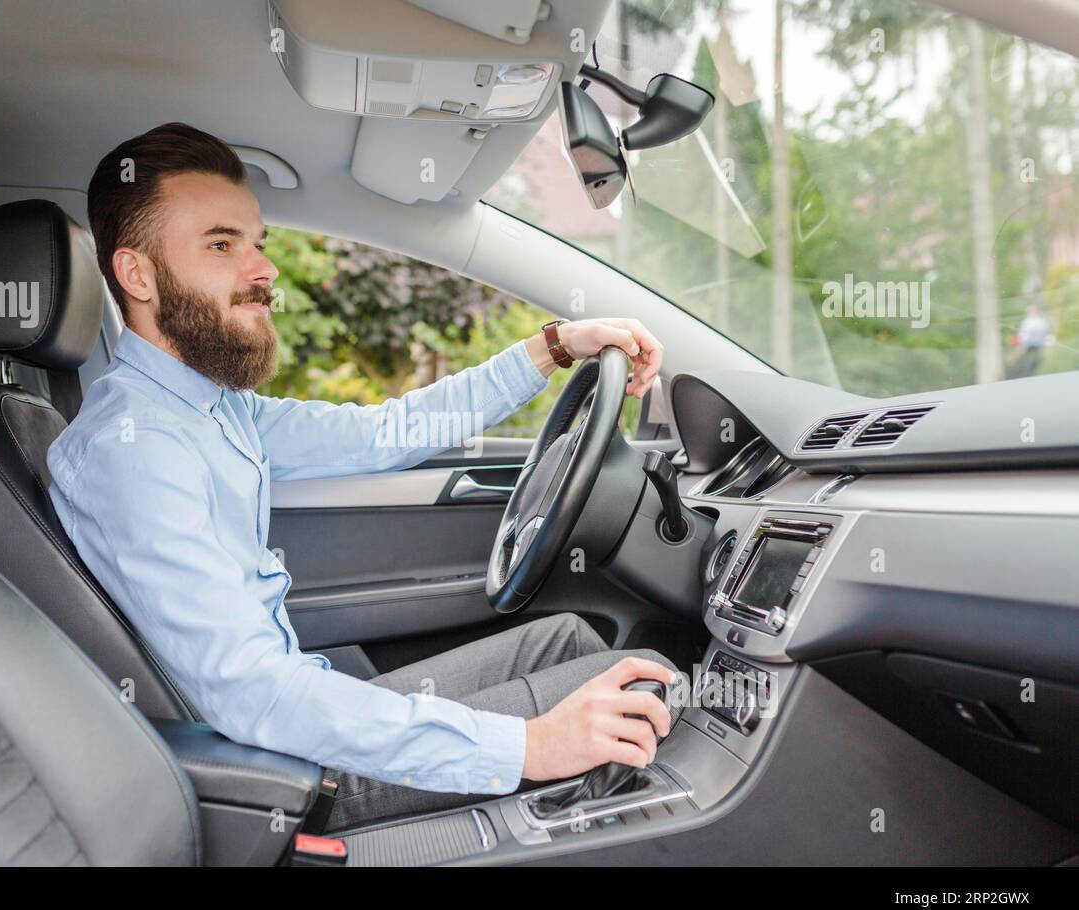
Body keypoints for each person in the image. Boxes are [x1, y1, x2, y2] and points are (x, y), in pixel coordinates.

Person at [48, 122, 678, 831]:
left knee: (566, 643)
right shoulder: (135, 449)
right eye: (222, 245)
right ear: (137, 275)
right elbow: (256, 697)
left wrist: (555, 346)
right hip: (276, 776)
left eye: (257, 244)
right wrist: (529, 746)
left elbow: (389, 433)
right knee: (646, 698)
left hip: (293, 726)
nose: (263, 271)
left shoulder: (209, 407)